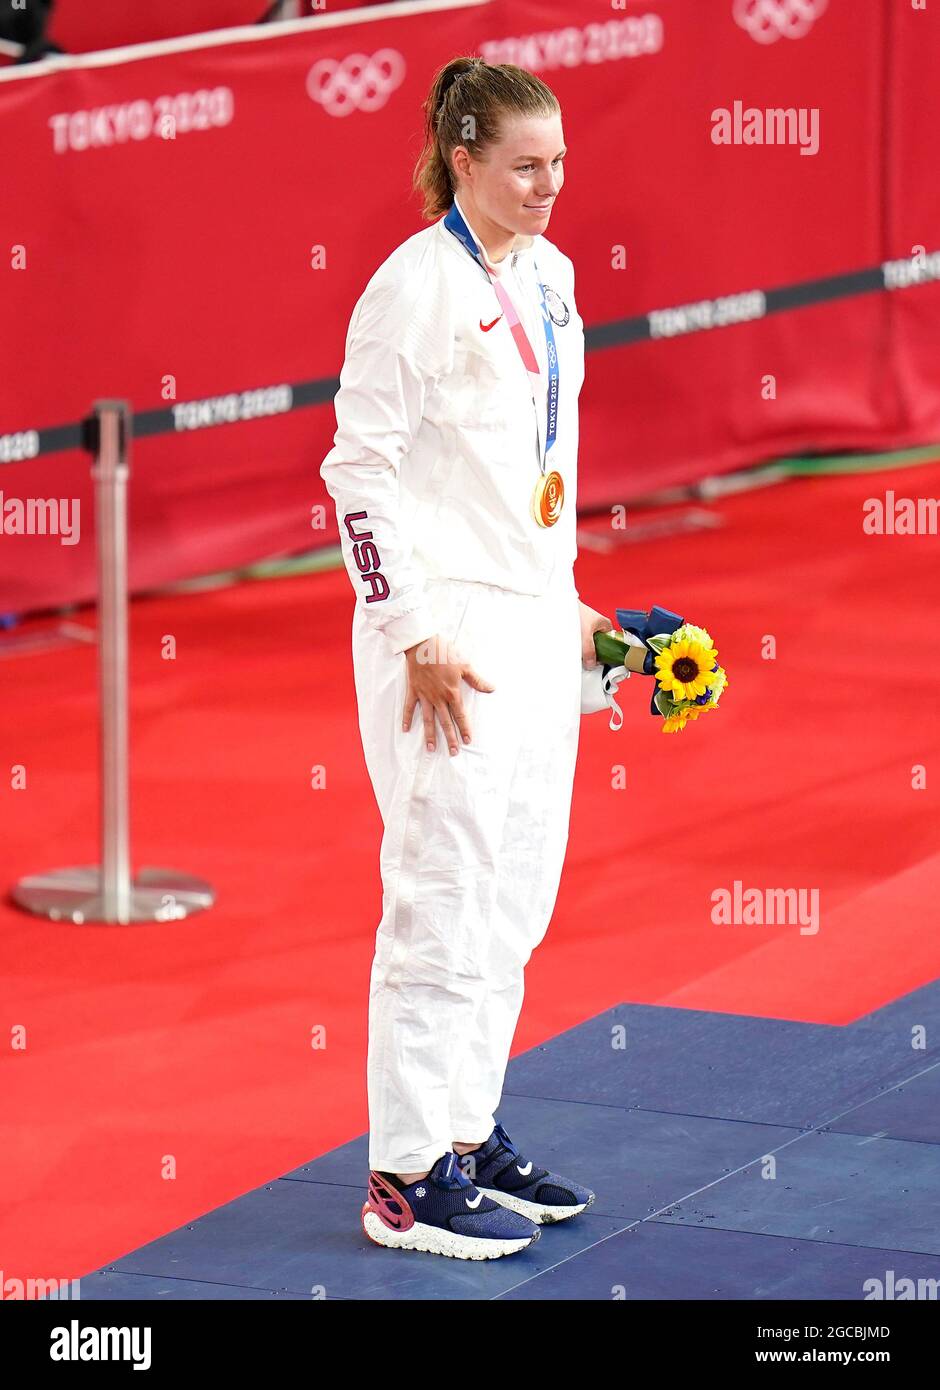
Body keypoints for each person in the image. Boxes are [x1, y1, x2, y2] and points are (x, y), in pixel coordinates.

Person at [320, 55, 613, 1261]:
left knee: (513, 900)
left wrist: (582, 612)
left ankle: (466, 1129)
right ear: (463, 161)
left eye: (558, 164)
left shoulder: (550, 280)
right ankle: (401, 1175)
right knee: (440, 899)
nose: (549, 185)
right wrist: (412, 633)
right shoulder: (412, 291)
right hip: (444, 637)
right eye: (524, 166)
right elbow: (357, 477)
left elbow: (539, 485)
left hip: (534, 622)